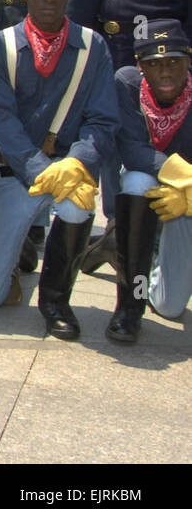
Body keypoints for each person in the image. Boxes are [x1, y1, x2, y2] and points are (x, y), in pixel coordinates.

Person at [0, 0, 117, 339]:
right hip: (14, 171)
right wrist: (41, 169)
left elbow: (103, 119)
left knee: (78, 208)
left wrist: (78, 162)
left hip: (69, 167)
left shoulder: (94, 46)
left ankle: (56, 300)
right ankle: (13, 255)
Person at [112, 20, 192, 342]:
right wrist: (181, 173)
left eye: (174, 61)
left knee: (171, 307)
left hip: (186, 196)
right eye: (155, 64)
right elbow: (131, 149)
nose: (166, 72)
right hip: (152, 179)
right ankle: (129, 307)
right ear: (140, 65)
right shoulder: (127, 83)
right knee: (137, 184)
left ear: (189, 60)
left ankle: (141, 247)